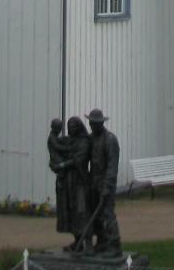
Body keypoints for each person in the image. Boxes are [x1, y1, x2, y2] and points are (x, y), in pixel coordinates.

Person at [48, 116, 91, 249]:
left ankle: (86, 241)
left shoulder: (84, 142)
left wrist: (62, 165)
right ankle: (77, 240)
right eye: (68, 127)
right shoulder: (67, 141)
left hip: (79, 181)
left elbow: (79, 160)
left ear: (78, 127)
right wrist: (53, 163)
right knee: (69, 210)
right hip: (67, 181)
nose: (70, 130)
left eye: (73, 127)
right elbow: (54, 147)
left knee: (80, 210)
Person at [85, 108, 121, 255]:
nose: (92, 126)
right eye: (91, 123)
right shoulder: (90, 138)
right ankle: (102, 241)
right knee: (94, 213)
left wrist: (107, 187)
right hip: (93, 182)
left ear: (101, 123)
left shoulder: (110, 140)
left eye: (95, 123)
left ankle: (115, 245)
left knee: (107, 214)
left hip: (106, 184)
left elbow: (112, 167)